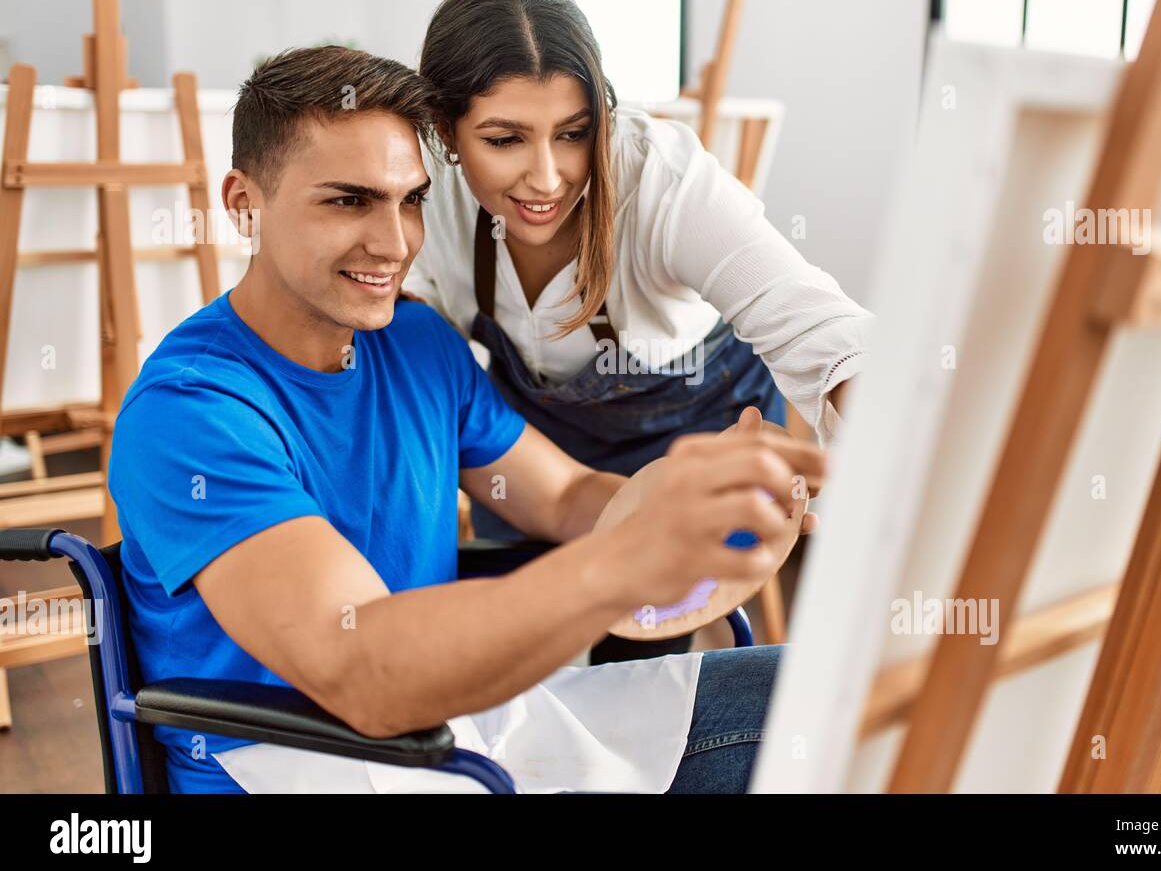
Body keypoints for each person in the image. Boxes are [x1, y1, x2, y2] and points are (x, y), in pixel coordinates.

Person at [107, 46, 826, 793]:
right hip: (298, 763)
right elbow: (354, 668)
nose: (393, 244)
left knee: (821, 697)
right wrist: (615, 568)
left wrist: (690, 498)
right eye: (349, 201)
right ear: (243, 203)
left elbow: (563, 496)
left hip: (460, 726)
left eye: (410, 200)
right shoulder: (191, 414)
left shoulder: (415, 343)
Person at [405, 0, 871, 661]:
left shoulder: (660, 177)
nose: (546, 177)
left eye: (573, 134)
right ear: (447, 133)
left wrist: (883, 462)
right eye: (505, 139)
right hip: (540, 458)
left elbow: (816, 326)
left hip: (690, 430)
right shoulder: (426, 198)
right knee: (533, 658)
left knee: (648, 672)